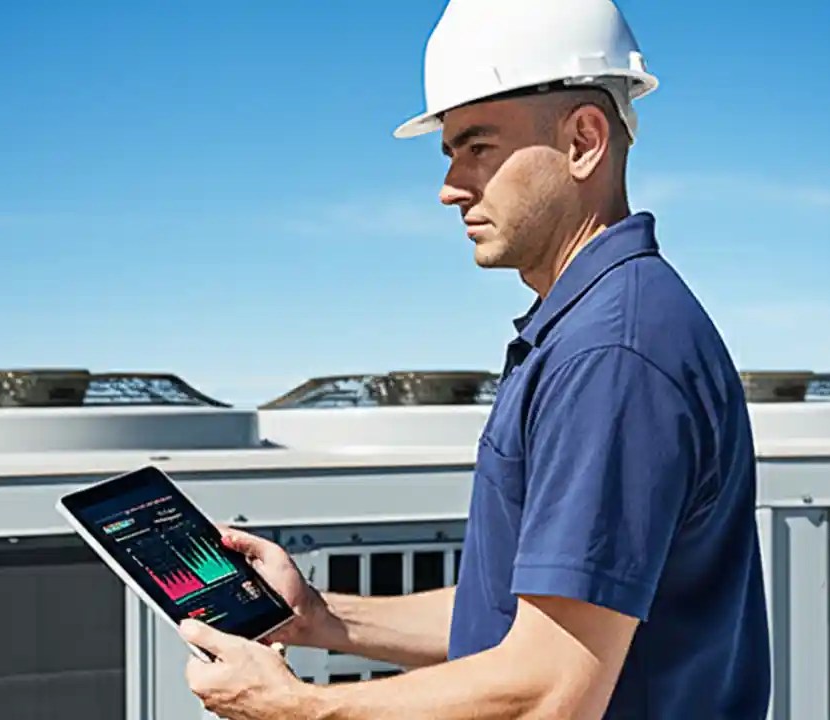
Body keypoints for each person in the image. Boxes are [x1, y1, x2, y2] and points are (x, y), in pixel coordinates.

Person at [179, 0, 771, 717]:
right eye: (451, 153)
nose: (450, 187)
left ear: (584, 140)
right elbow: (521, 619)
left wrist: (296, 707)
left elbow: (549, 688)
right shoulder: (596, 328)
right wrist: (318, 617)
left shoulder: (611, 355)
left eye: (478, 147)